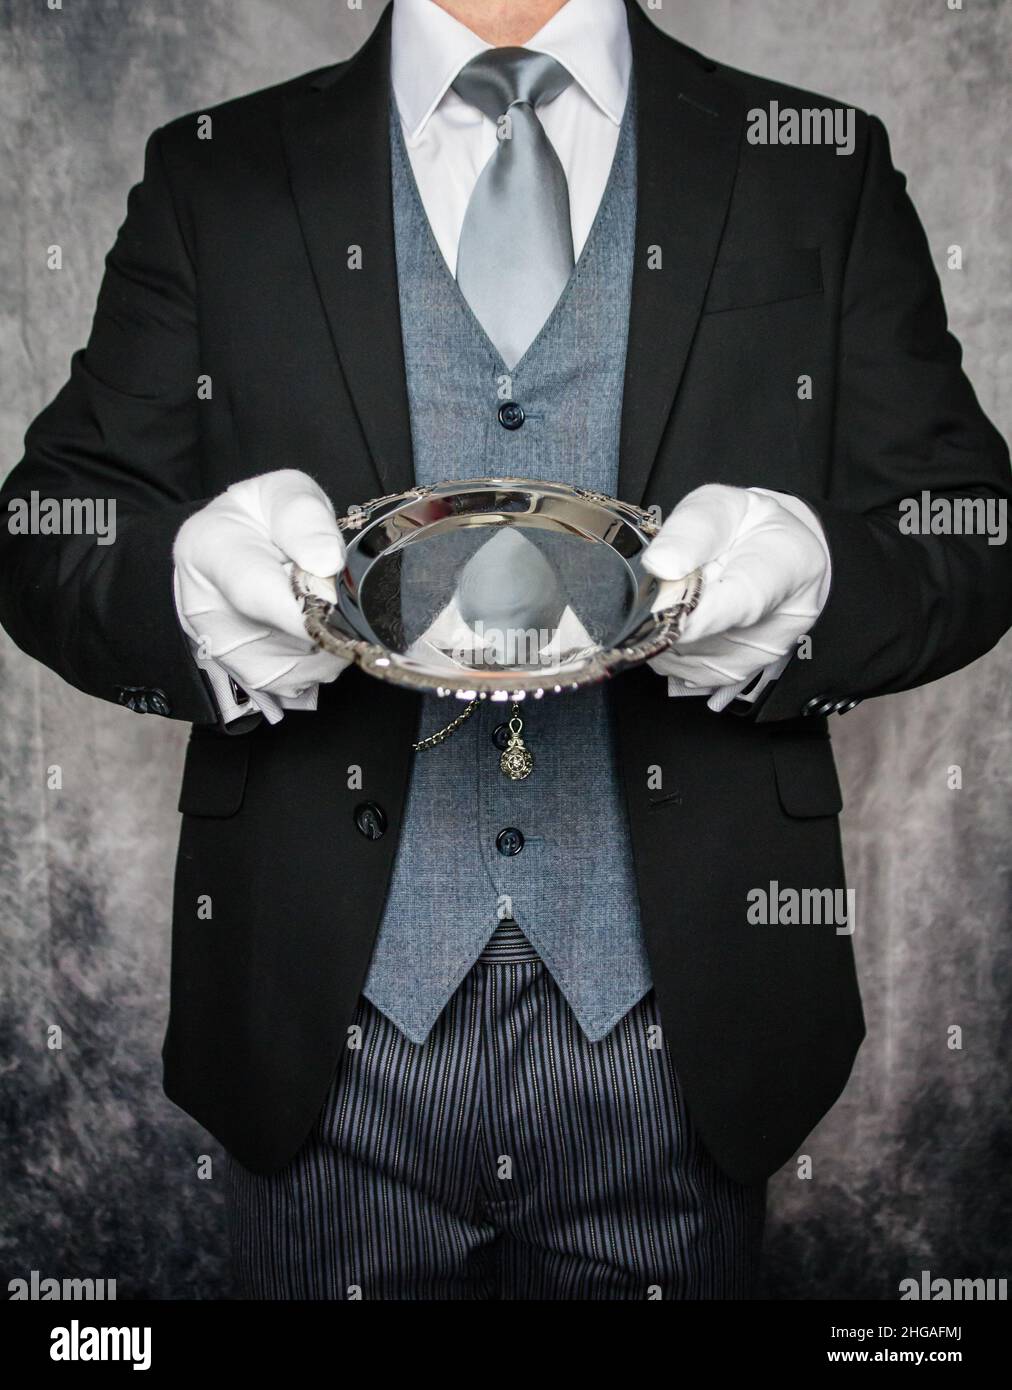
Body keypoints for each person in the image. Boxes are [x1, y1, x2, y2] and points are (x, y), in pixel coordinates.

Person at [2, 0, 1009, 1300]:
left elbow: (968, 526)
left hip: (686, 1035)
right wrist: (190, 589)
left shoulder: (815, 158)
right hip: (325, 1038)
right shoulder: (220, 168)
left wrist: (808, 572)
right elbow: (48, 528)